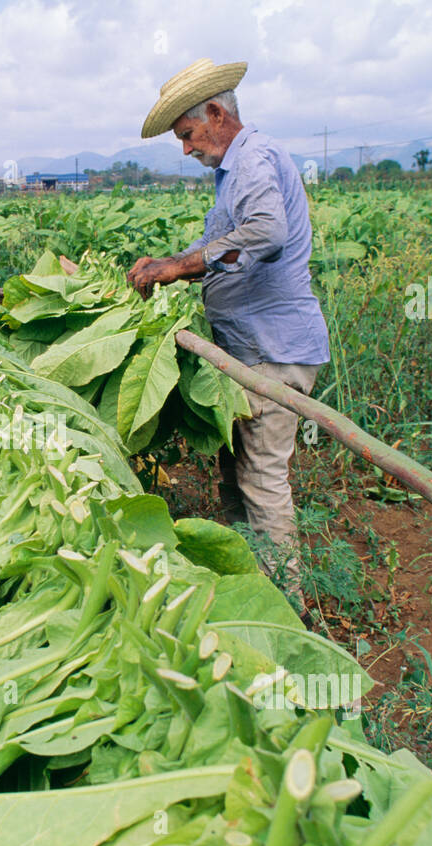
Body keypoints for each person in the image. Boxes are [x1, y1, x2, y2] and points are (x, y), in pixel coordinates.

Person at [126, 58, 330, 619]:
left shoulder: (253, 159)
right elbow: (225, 241)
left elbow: (264, 234)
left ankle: (289, 612)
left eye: (188, 135)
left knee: (262, 478)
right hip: (249, 352)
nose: (186, 149)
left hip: (273, 351)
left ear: (216, 114)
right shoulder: (236, 171)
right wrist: (172, 261)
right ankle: (252, 590)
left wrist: (182, 266)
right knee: (236, 474)